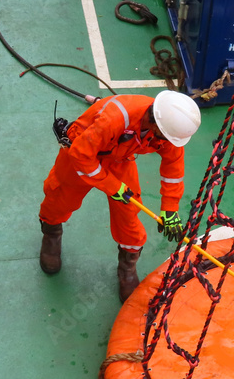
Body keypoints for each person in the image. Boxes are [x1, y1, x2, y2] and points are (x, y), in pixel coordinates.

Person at [38, 90, 201, 301]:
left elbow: (173, 168)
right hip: (80, 151)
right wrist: (112, 186)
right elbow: (81, 155)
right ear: (155, 124)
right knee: (60, 198)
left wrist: (170, 209)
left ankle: (127, 268)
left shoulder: (169, 128)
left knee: (128, 214)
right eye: (165, 137)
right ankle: (52, 234)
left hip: (120, 158)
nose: (168, 142)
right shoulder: (115, 118)